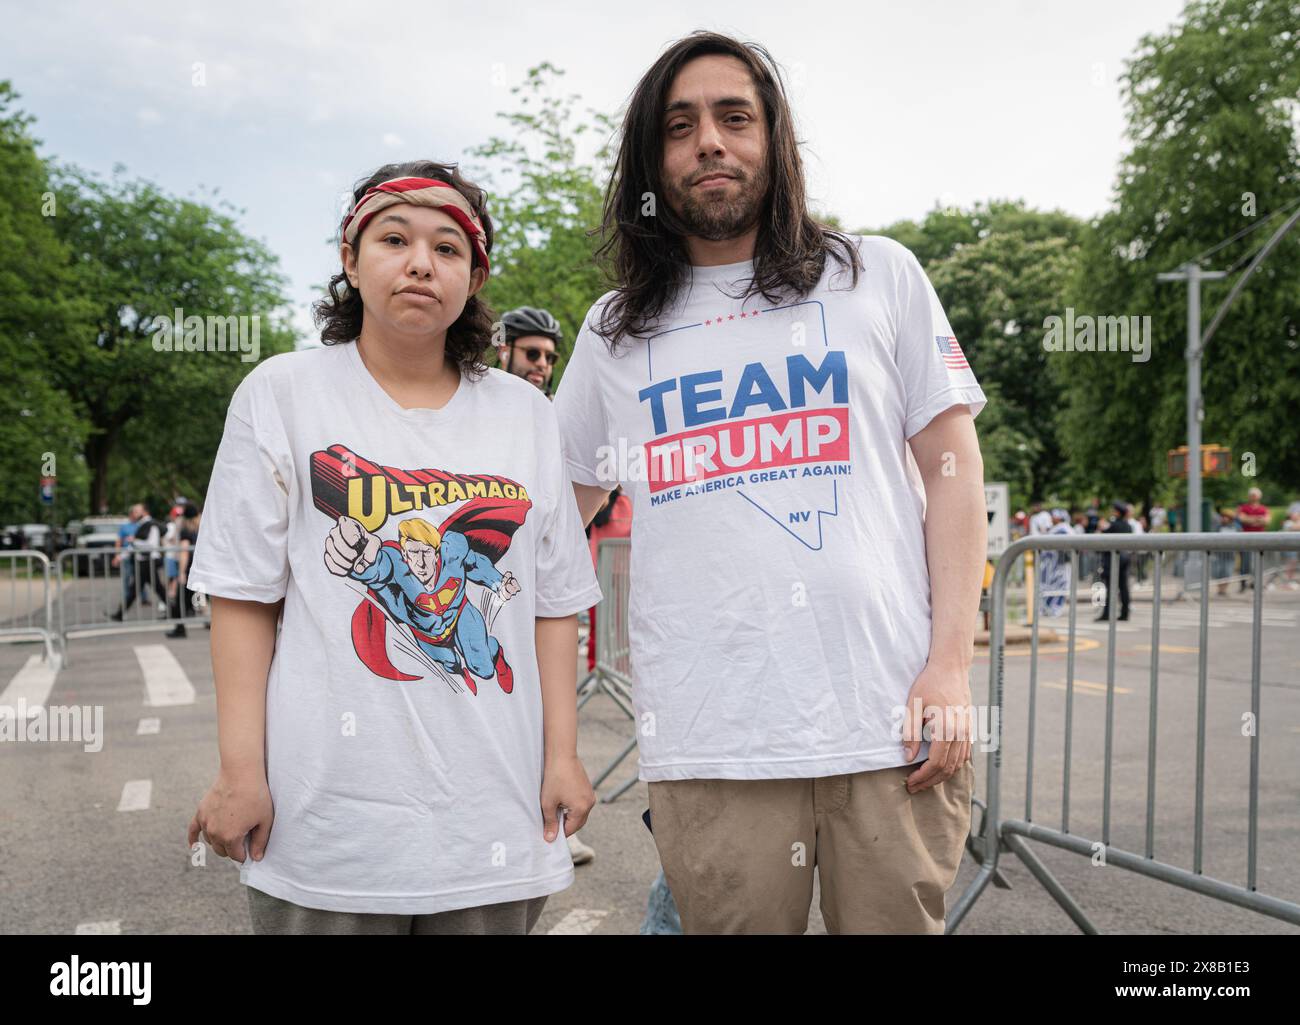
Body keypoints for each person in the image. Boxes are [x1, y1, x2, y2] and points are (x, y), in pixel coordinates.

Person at [553, 32, 986, 934]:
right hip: (713, 740)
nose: (709, 140)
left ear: (772, 141)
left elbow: (952, 471)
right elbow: (553, 524)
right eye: (680, 126)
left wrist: (949, 664)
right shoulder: (612, 330)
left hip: (889, 724)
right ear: (651, 159)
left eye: (733, 116)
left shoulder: (877, 275)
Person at [185, 161, 602, 935]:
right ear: (350, 258)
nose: (420, 262)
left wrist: (563, 755)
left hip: (494, 821)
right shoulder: (282, 393)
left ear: (475, 276)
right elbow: (242, 595)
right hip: (330, 830)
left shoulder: (525, 414)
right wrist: (241, 770)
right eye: (394, 238)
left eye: (448, 248)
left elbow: (556, 604)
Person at [108, 506, 164, 620]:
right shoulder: (141, 525)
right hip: (143, 563)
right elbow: (133, 546)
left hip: (148, 563)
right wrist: (120, 556)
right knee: (135, 590)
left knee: (157, 590)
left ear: (145, 512)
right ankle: (119, 614)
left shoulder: (151, 525)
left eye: (138, 511)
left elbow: (150, 545)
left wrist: (134, 541)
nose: (135, 514)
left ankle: (176, 612)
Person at [496, 307, 563, 395]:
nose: (543, 364)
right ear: (504, 353)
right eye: (532, 353)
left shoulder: (557, 408)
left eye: (549, 357)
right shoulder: (478, 402)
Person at [165, 503, 202, 639]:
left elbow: (184, 551)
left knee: (179, 601)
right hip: (201, 568)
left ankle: (180, 628)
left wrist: (181, 572)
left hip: (190, 569)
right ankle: (209, 623)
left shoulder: (186, 530)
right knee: (201, 597)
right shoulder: (202, 528)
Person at [1096, 500, 1133, 621]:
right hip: (1125, 557)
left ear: (1117, 512)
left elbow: (1104, 538)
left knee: (1110, 587)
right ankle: (1125, 613)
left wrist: (1101, 528)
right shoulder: (1128, 525)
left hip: (1113, 559)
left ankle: (1107, 613)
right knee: (1124, 587)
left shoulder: (1114, 525)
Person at [1236, 487, 1270, 590]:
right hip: (1246, 538)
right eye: (1252, 495)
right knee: (1245, 562)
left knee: (1258, 562)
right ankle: (1243, 583)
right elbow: (1242, 519)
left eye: (1255, 495)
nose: (1253, 497)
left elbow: (1267, 521)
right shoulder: (1243, 507)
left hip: (1260, 539)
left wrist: (1250, 519)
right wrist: (1258, 519)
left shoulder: (1263, 508)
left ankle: (1256, 583)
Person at [111, 505, 143, 611]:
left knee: (141, 577)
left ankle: (144, 597)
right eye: (135, 512)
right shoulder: (125, 526)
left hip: (138, 555)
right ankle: (126, 598)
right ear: (131, 514)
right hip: (126, 555)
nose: (137, 514)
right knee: (127, 578)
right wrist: (117, 555)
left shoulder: (141, 525)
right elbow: (119, 541)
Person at [1214, 509, 1241, 594]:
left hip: (1231, 554)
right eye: (1223, 517)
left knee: (1227, 571)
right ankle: (1220, 589)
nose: (1224, 519)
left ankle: (1224, 589)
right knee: (1219, 571)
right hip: (1220, 553)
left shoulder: (1236, 527)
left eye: (1226, 517)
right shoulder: (1218, 527)